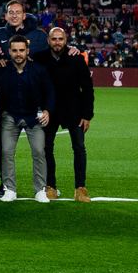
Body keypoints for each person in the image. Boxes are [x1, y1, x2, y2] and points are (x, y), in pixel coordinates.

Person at [0, 35, 55, 203]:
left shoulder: (39, 70)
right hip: (10, 116)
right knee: (6, 152)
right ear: (9, 52)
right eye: (15, 50)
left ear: (27, 51)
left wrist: (48, 111)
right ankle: (9, 189)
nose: (18, 54)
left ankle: (40, 190)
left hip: (34, 117)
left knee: (39, 151)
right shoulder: (2, 70)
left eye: (22, 50)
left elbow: (50, 92)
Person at [35, 26, 94, 202]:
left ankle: (80, 188)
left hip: (74, 111)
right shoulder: (40, 58)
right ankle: (50, 186)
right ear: (48, 41)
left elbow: (88, 88)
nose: (57, 42)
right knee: (46, 148)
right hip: (49, 111)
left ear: (66, 40)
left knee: (79, 148)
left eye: (60, 39)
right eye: (54, 39)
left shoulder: (76, 58)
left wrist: (87, 115)